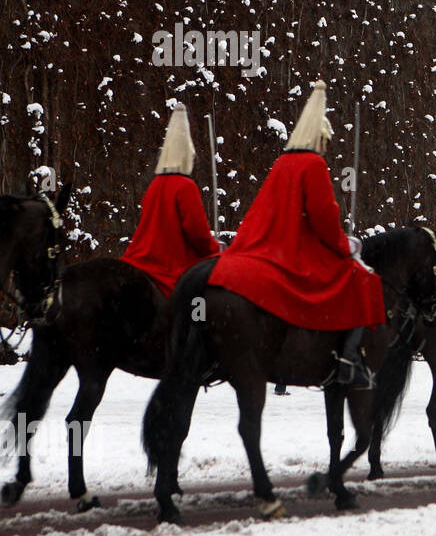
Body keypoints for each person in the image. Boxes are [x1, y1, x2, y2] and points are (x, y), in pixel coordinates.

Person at [209, 80, 384, 387]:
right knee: (362, 279)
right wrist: (347, 245)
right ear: (320, 138)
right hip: (294, 252)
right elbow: (324, 219)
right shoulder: (312, 164)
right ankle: (348, 359)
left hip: (262, 247)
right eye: (326, 144)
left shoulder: (282, 163)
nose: (326, 150)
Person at [120, 104, 220, 296]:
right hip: (169, 269)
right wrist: (216, 248)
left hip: (140, 260)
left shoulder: (154, 185)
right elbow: (197, 233)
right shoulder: (185, 186)